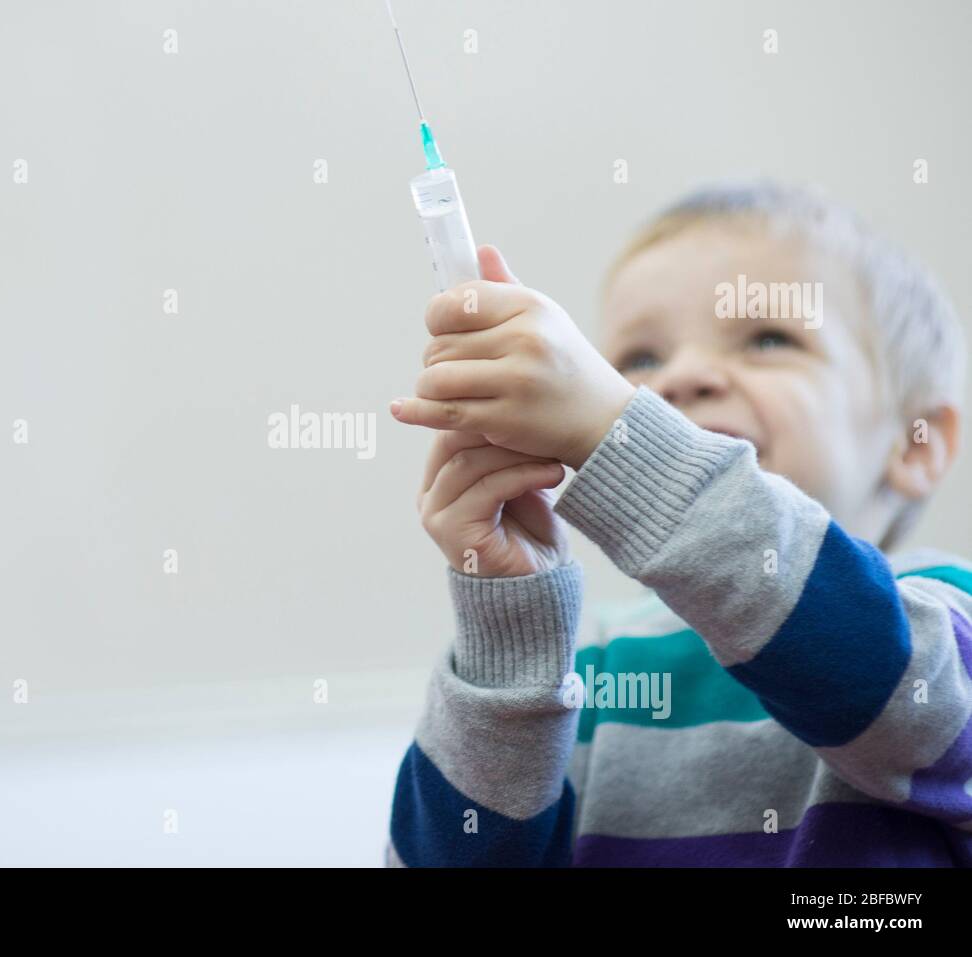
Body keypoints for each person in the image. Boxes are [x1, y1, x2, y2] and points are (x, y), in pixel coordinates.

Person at [385, 181, 972, 866]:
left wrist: (625, 433)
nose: (684, 376)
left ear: (916, 441)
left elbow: (896, 696)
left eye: (768, 337)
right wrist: (510, 633)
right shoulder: (589, 668)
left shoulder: (946, 616)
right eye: (640, 360)